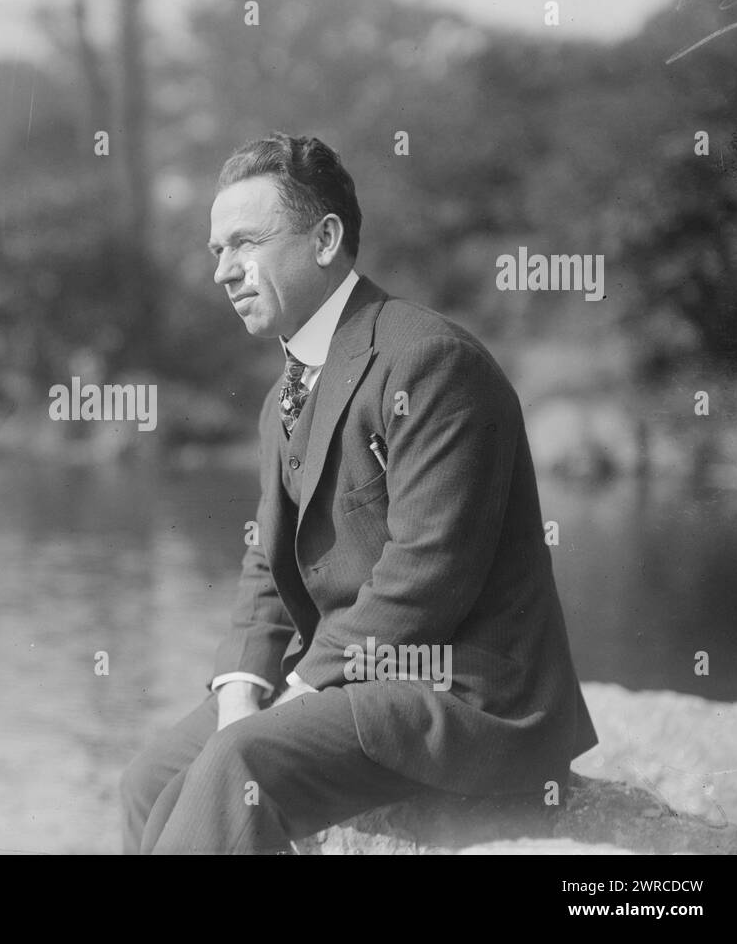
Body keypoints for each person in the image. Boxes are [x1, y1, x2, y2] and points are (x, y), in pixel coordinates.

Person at [120, 132, 598, 854]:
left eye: (245, 243)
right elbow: (267, 566)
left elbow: (428, 574)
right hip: (360, 679)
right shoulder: (283, 392)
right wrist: (243, 686)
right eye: (216, 250)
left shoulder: (429, 361)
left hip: (462, 695)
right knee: (151, 778)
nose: (223, 271)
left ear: (325, 239)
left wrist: (302, 692)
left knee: (237, 763)